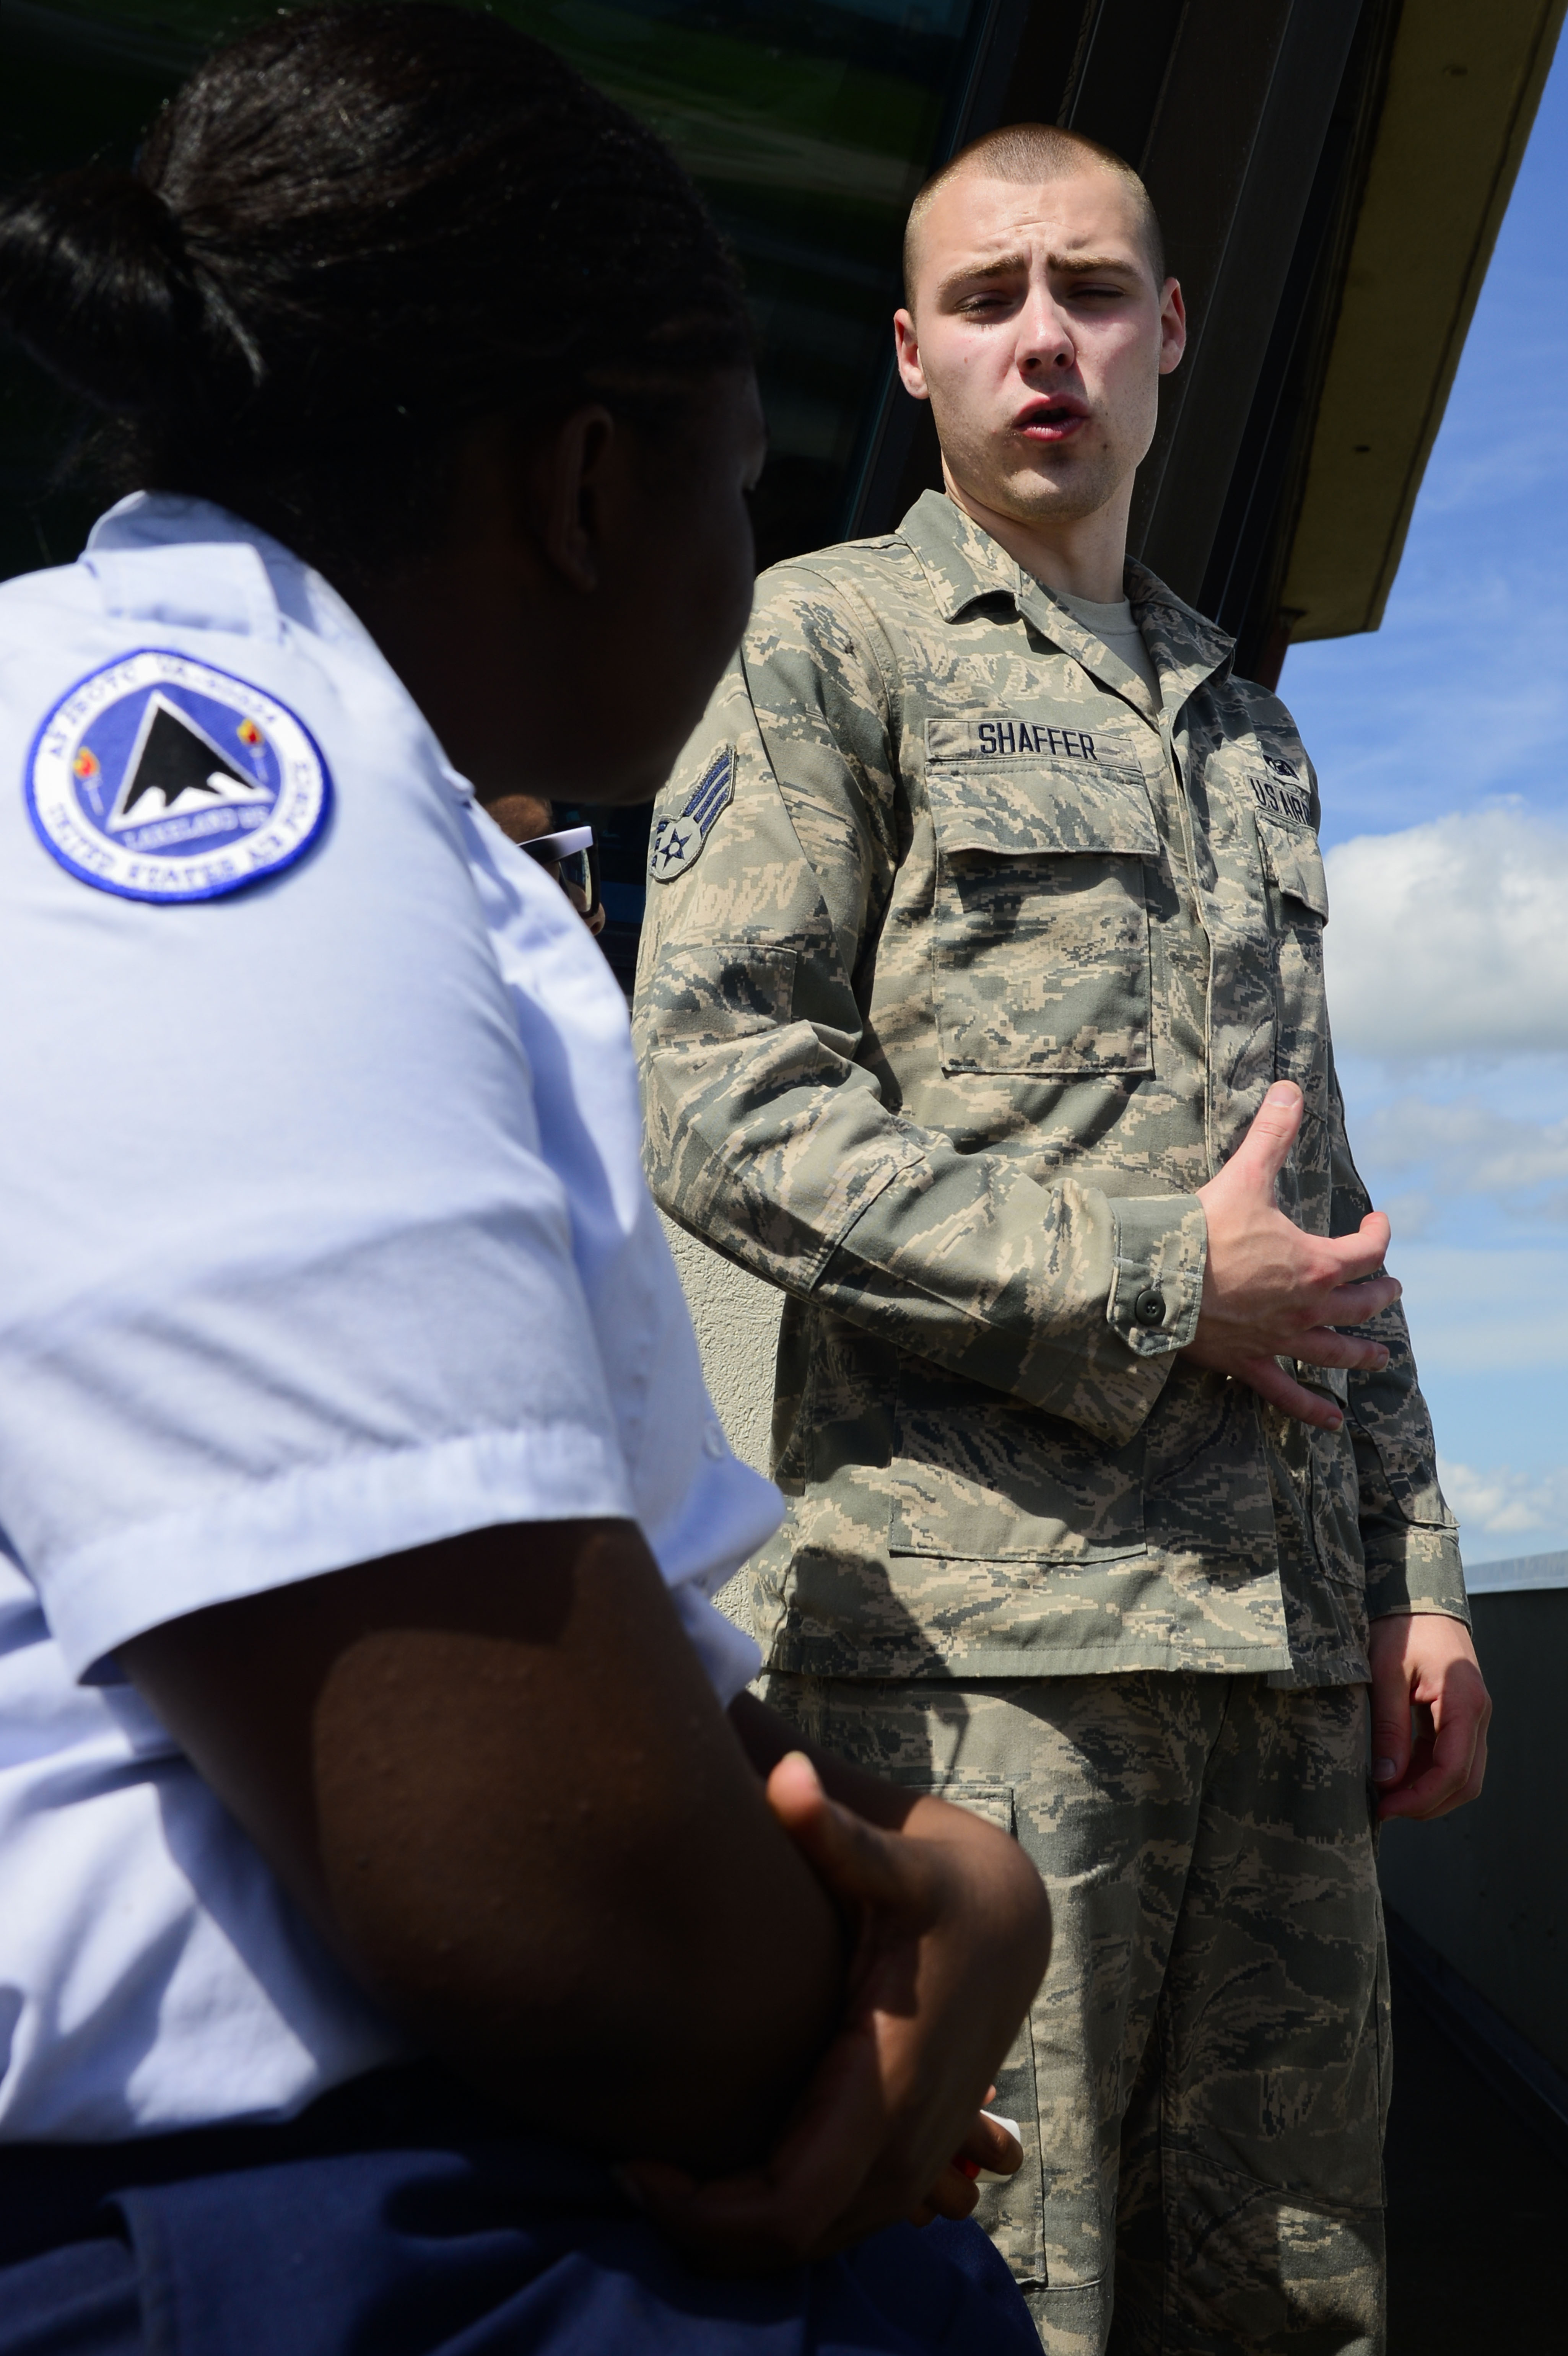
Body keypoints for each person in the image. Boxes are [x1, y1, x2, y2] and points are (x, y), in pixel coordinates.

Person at [0, 14, 1054, 2350]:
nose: (740, 566)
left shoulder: (312, 777)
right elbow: (533, 1889)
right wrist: (881, 1988)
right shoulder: (196, 778)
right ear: (588, 486)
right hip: (275, 2234)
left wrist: (958, 1895)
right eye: (739, 489)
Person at [634, 122, 1492, 2355]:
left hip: (1284, 1662)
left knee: (1290, 2290)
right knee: (1004, 2296)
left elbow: (1311, 1179)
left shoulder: (1248, 720)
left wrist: (1409, 1575)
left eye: (1092, 291)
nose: (1047, 340)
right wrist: (1144, 1283)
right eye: (992, 298)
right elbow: (721, 1100)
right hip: (980, 1662)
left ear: (1167, 333)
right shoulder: (819, 642)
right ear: (910, 352)